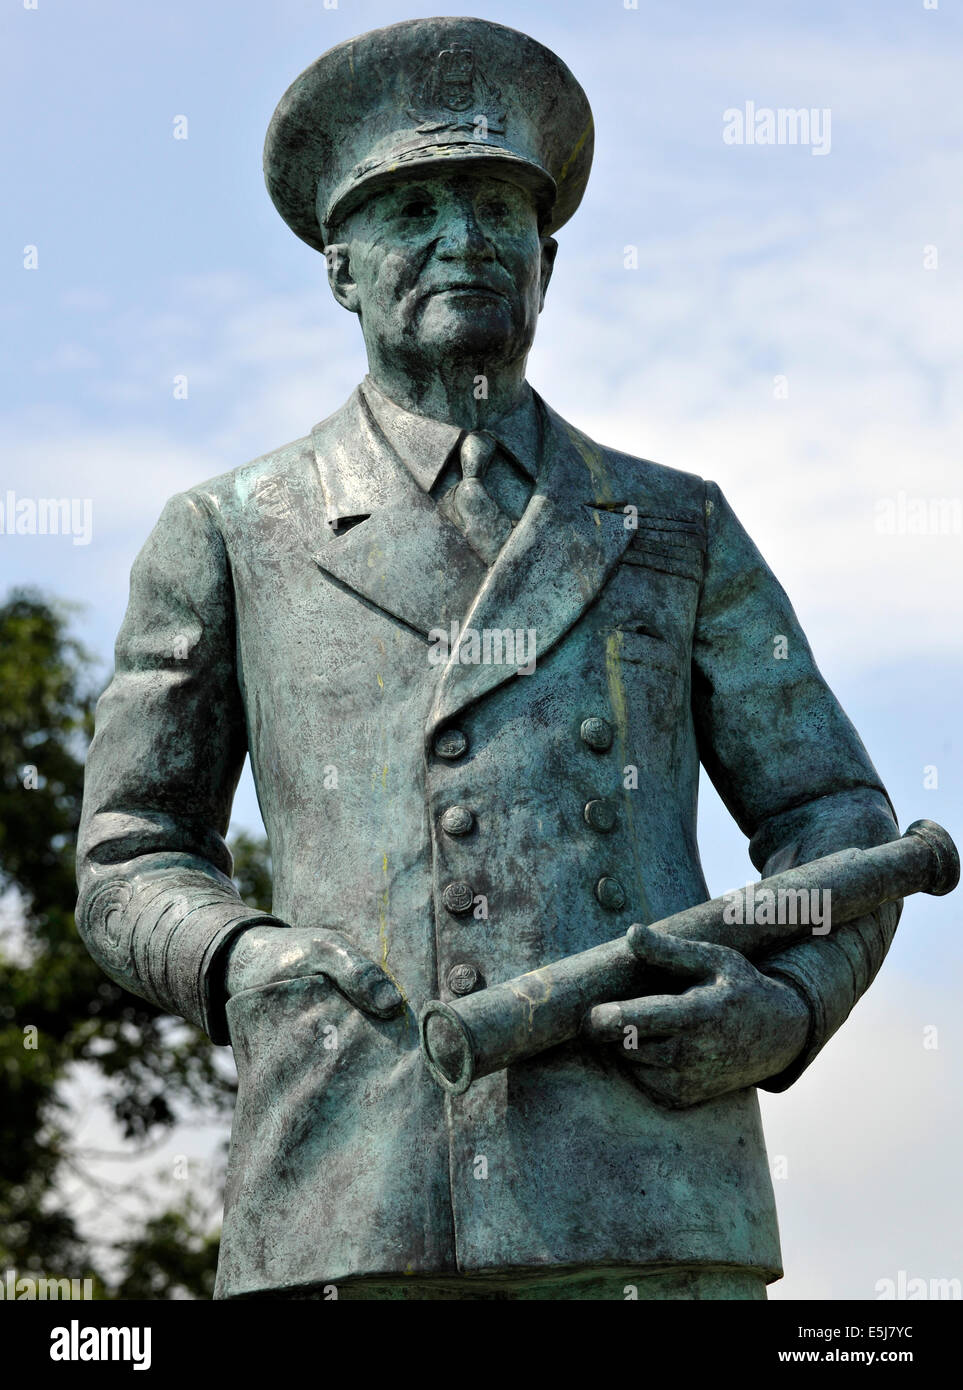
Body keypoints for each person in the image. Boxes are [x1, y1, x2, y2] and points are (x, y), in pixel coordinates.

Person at [76, 17, 900, 1300]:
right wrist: (244, 958)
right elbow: (127, 850)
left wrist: (780, 1010)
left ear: (548, 260)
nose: (463, 239)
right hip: (350, 1198)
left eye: (495, 206)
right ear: (340, 269)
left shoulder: (675, 524)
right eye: (414, 209)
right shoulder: (236, 532)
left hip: (652, 1196)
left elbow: (838, 823)